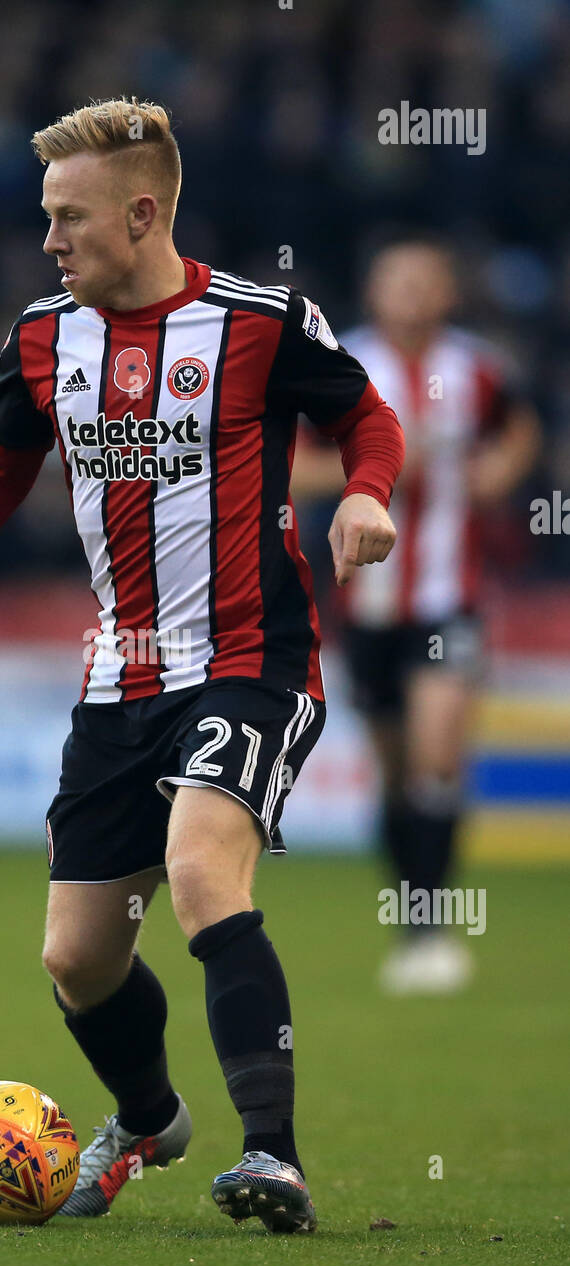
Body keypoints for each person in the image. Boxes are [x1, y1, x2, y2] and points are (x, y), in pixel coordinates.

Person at [0, 98, 403, 1234]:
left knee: (200, 875)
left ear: (140, 213)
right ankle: (146, 1118)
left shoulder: (260, 321)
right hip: (115, 683)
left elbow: (367, 415)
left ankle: (273, 1158)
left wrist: (368, 496)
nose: (47, 241)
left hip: (250, 658)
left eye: (67, 218)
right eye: (46, 219)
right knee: (76, 960)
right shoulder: (44, 337)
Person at [294, 240, 540, 995]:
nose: (409, 293)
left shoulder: (477, 370)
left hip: (450, 596)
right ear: (373, 291)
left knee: (438, 755)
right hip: (366, 600)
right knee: (397, 770)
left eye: (423, 280)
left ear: (446, 293)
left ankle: (430, 931)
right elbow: (296, 466)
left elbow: (519, 427)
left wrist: (501, 468)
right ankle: (412, 919)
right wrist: (385, 465)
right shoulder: (341, 367)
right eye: (395, 279)